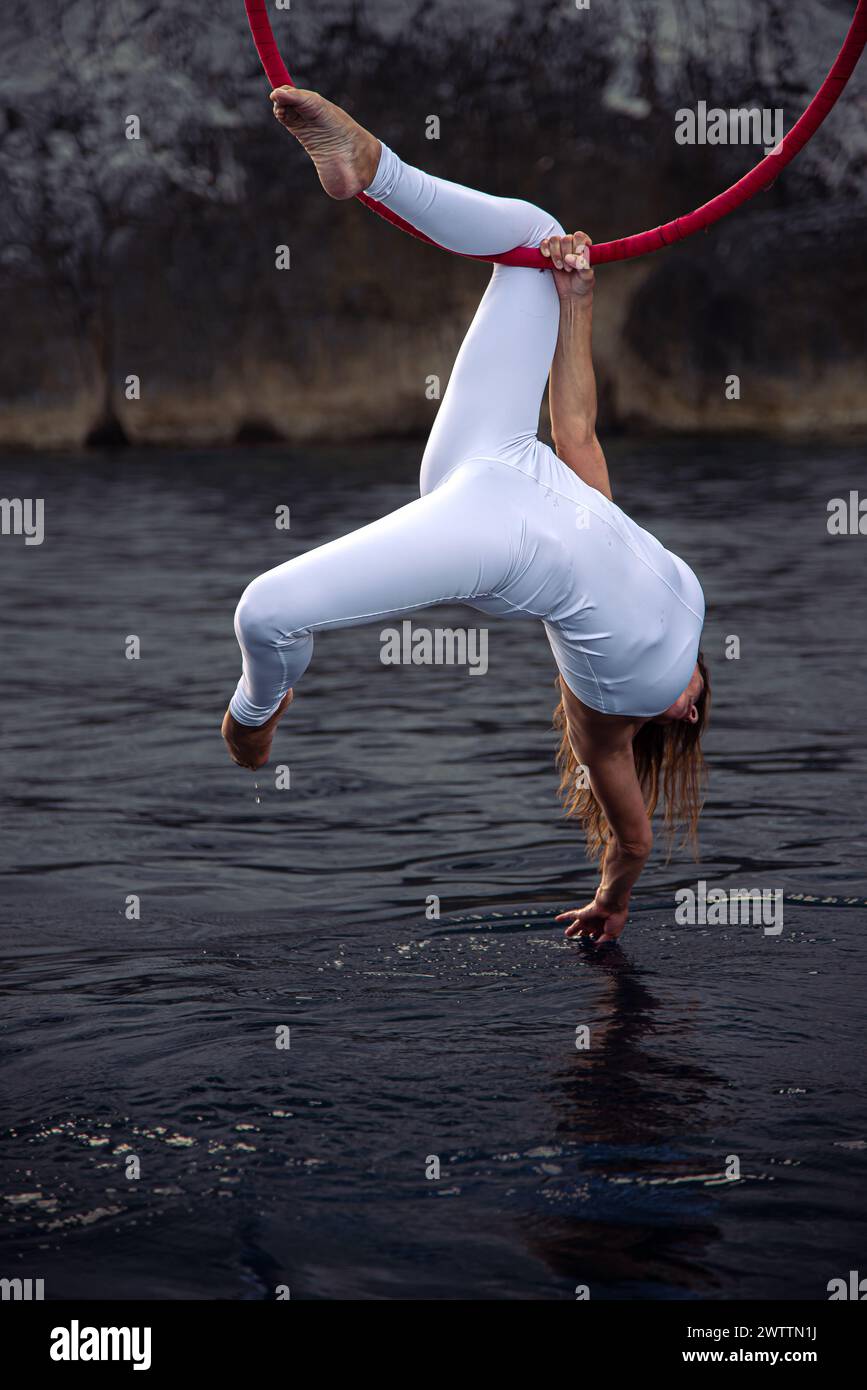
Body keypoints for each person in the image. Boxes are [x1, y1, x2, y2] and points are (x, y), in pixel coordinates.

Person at [222, 88, 710, 946]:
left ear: (667, 724)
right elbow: (575, 433)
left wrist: (613, 898)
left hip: (497, 545)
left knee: (263, 610)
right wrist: (576, 300)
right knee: (533, 232)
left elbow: (633, 837)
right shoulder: (671, 593)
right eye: (703, 689)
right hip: (502, 458)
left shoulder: (604, 722)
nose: (694, 697)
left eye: (688, 714)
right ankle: (370, 169)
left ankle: (254, 717)